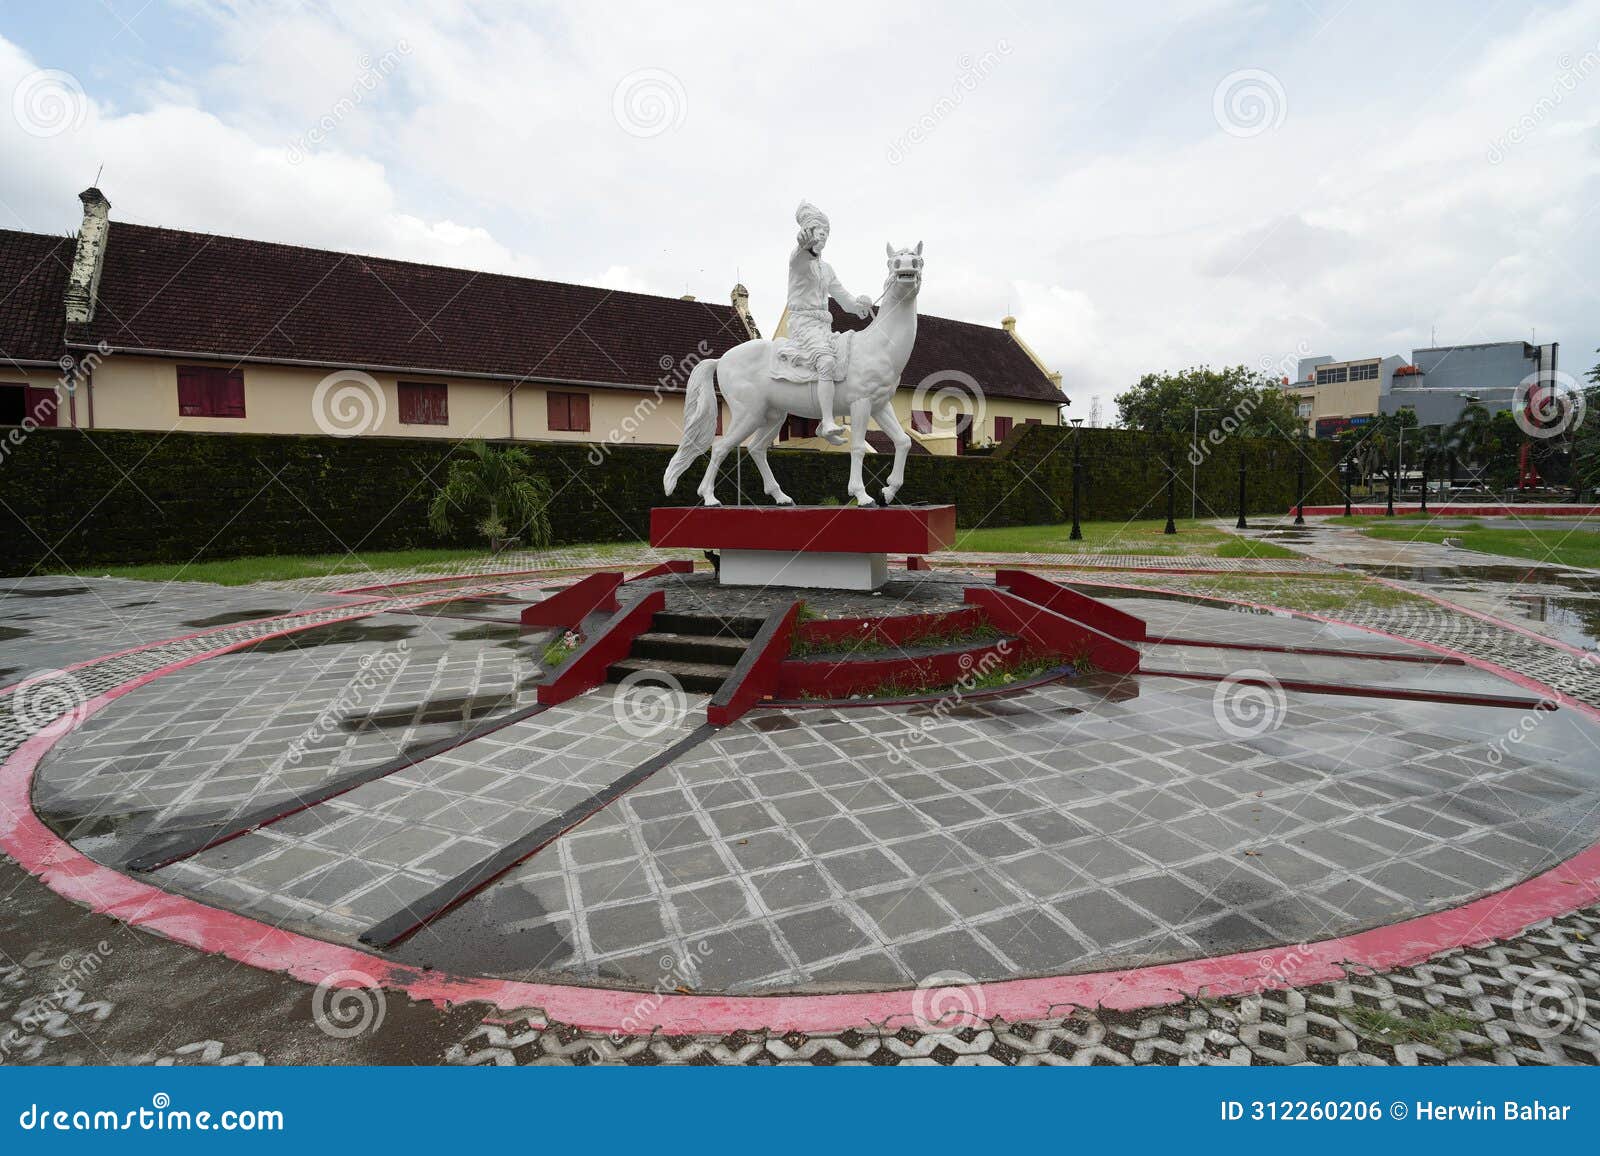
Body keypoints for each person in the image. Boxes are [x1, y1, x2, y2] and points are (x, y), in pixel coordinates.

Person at [784, 201, 873, 444]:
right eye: (817, 229)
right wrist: (803, 245)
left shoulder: (827, 269)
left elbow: (844, 299)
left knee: (849, 360)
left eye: (825, 231)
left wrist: (860, 305)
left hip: (824, 326)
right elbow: (799, 256)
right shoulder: (799, 261)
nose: (822, 234)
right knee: (825, 361)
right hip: (803, 324)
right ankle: (826, 421)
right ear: (808, 232)